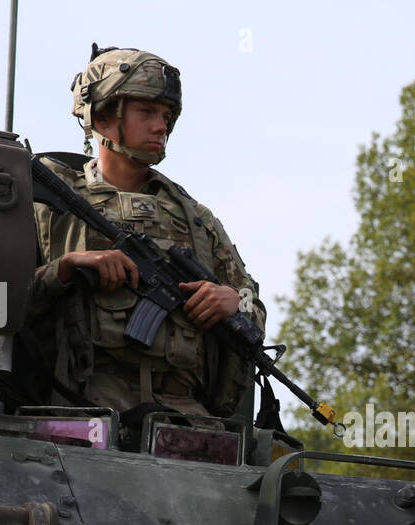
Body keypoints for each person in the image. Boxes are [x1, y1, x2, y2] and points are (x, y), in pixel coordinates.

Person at [27, 44, 266, 422]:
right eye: (147, 112)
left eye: (167, 115)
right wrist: (68, 267)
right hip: (83, 405)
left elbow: (253, 307)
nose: (162, 126)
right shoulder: (51, 205)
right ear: (103, 117)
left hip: (187, 416)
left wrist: (235, 303)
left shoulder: (196, 221)